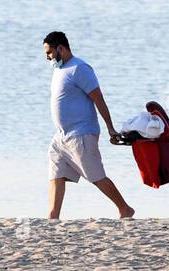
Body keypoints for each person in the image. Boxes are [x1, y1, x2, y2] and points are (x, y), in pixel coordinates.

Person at [43, 31, 134, 219]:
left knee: (96, 176)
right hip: (61, 136)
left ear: (61, 48)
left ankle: (124, 208)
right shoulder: (59, 70)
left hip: (81, 133)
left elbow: (98, 98)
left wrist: (110, 127)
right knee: (56, 175)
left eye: (49, 52)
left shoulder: (80, 68)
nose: (48, 57)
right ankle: (52, 217)